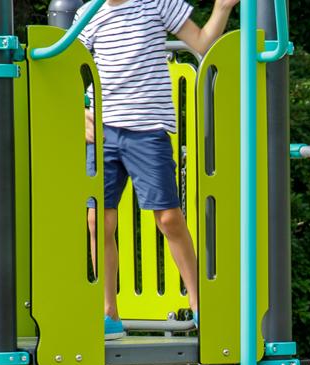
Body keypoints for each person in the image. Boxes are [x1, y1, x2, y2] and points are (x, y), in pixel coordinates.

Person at [76, 0, 237, 339]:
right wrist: (78, 111)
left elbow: (201, 43)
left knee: (167, 217)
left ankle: (200, 303)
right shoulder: (88, 13)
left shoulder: (155, 4)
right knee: (98, 221)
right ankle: (108, 312)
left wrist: (222, 9)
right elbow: (64, 69)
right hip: (102, 131)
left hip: (147, 131)